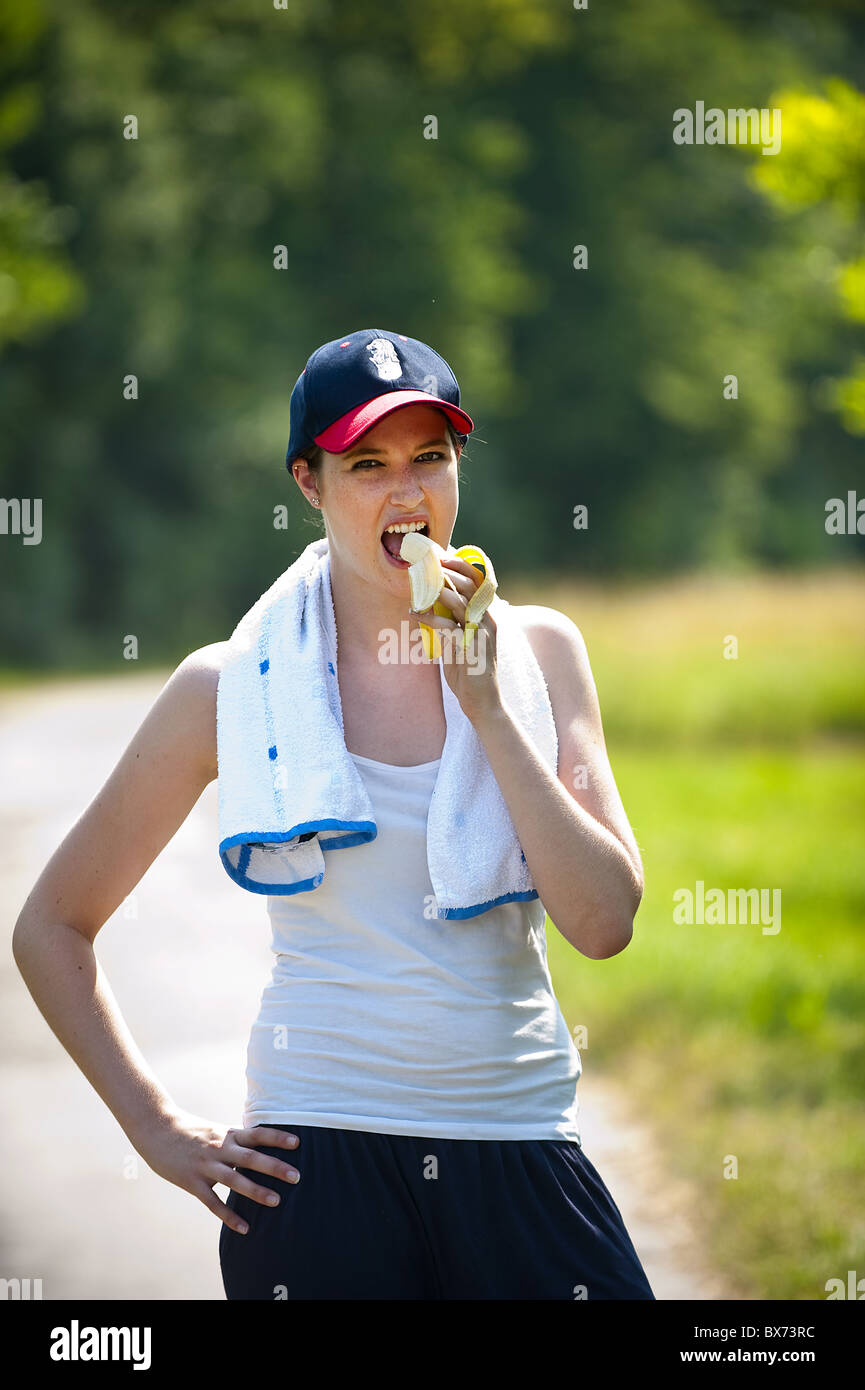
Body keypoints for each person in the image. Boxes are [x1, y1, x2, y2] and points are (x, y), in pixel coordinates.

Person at [13, 327, 654, 1301]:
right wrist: (155, 1127)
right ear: (308, 483)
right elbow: (50, 927)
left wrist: (484, 704)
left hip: (516, 1144)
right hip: (319, 1173)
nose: (408, 493)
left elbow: (603, 922)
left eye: (429, 457)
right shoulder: (229, 689)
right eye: (366, 464)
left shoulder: (538, 653)